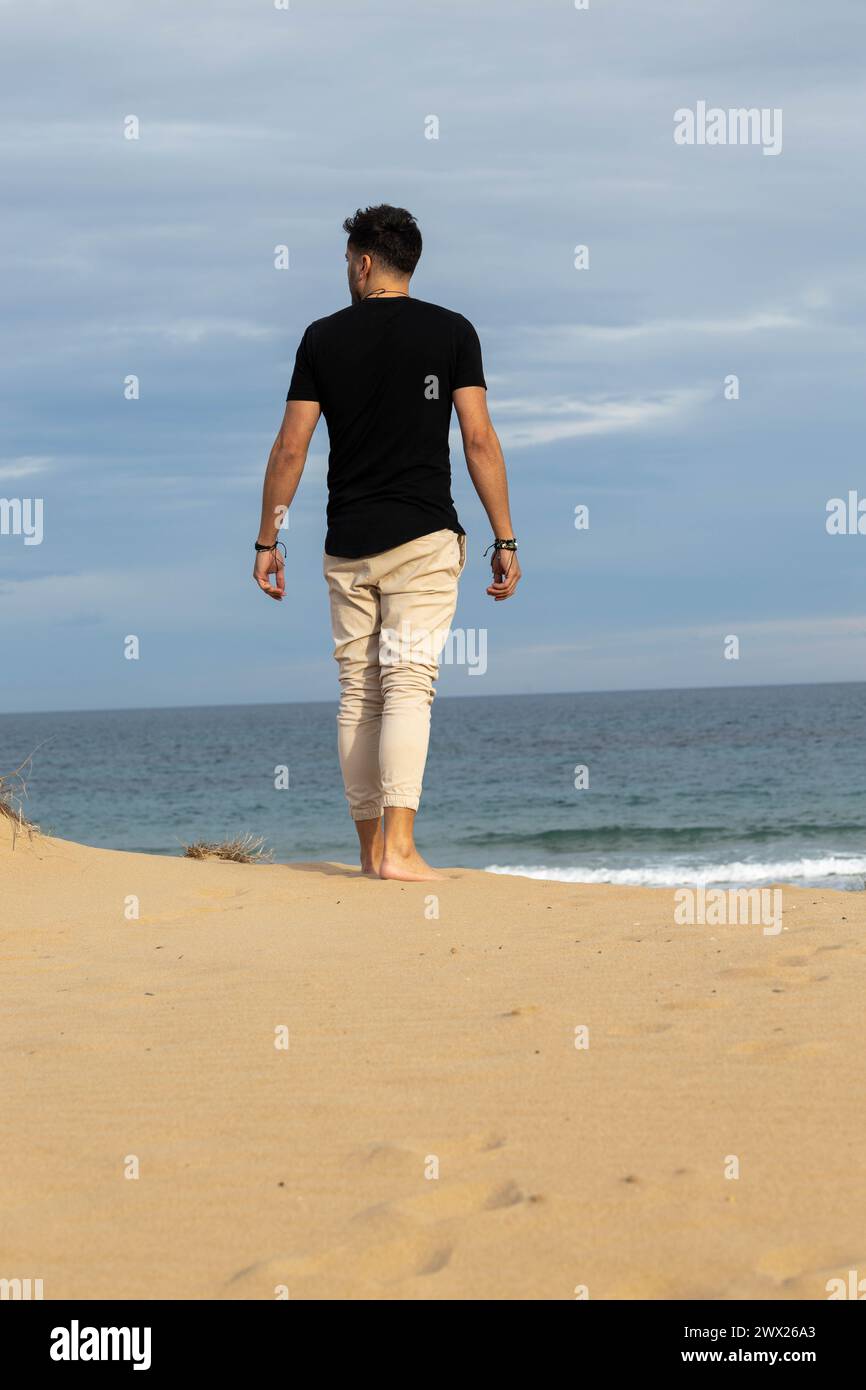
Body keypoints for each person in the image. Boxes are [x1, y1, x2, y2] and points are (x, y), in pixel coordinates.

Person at [253, 204, 520, 880]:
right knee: (408, 686)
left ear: (364, 261)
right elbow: (480, 440)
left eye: (348, 260)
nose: (348, 270)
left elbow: (291, 447)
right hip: (424, 536)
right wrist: (505, 536)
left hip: (348, 542)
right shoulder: (452, 332)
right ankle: (400, 850)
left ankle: (373, 851)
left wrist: (266, 540)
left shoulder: (321, 338)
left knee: (358, 694)